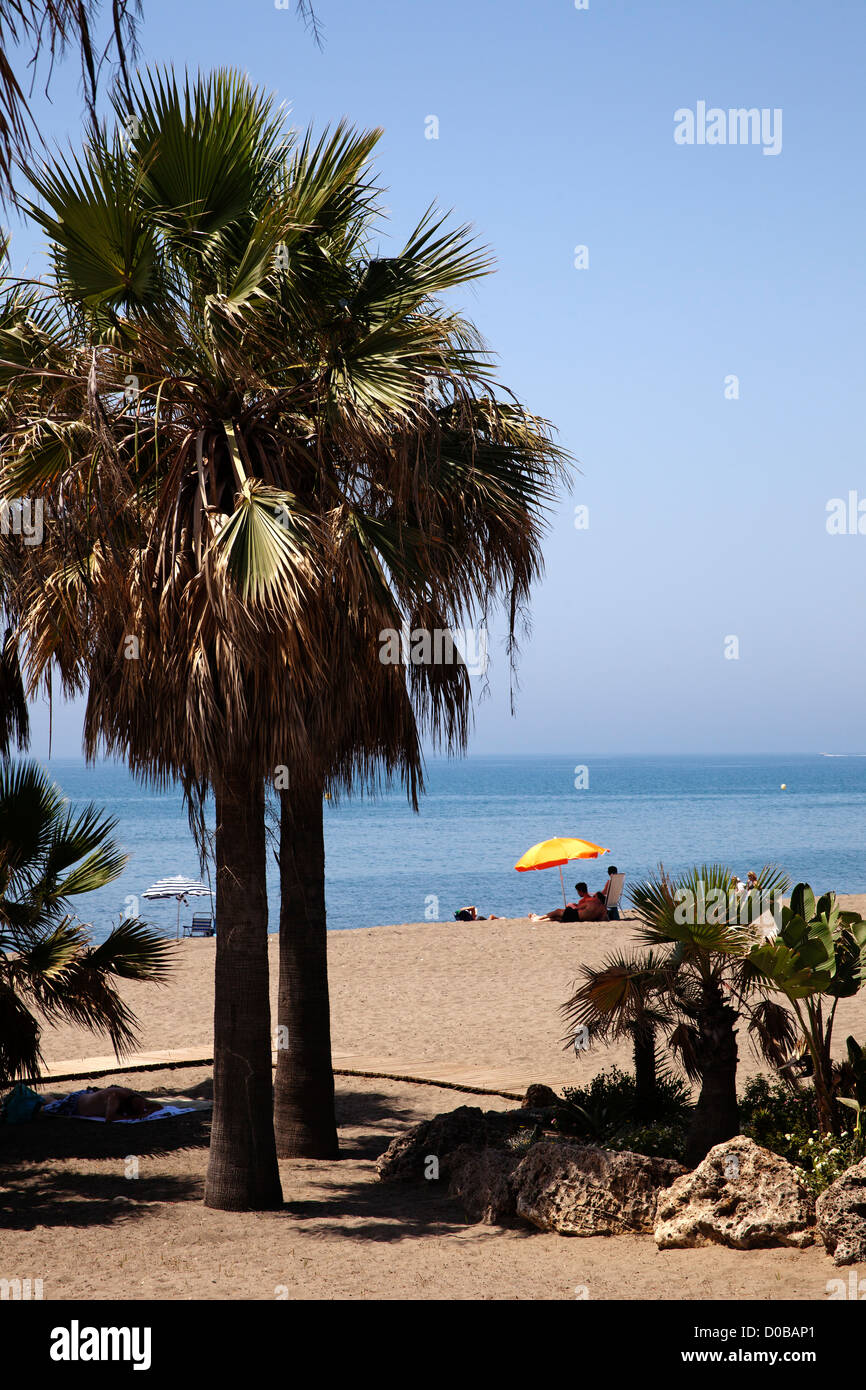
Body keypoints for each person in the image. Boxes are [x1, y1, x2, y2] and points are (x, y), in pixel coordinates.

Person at [44, 1086, 160, 1122]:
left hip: (86, 1096)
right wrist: (137, 1116)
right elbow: (110, 1118)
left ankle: (53, 1097)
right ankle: (45, 1097)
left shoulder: (131, 1095)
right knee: (50, 1105)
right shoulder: (114, 1098)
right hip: (75, 1104)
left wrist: (151, 1109)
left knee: (57, 1101)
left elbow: (156, 1106)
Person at [530, 882, 607, 923]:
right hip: (578, 919)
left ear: (597, 898)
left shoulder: (590, 903)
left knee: (558, 911)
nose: (593, 896)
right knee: (558, 918)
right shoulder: (603, 909)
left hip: (576, 916)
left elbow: (577, 908)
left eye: (595, 896)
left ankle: (539, 918)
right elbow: (603, 919)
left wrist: (571, 906)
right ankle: (538, 920)